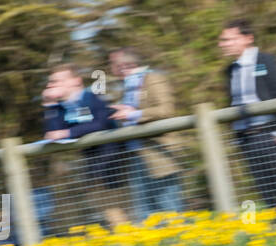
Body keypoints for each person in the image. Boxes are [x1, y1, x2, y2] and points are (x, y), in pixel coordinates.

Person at [219, 19, 276, 207]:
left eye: (229, 39)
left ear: (248, 38)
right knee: (266, 191)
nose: (223, 44)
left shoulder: (266, 61)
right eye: (223, 41)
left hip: (271, 134)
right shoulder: (230, 70)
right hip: (247, 139)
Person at [42, 64, 126, 227]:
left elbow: (100, 123)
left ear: (76, 81)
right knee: (109, 213)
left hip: (114, 165)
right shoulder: (60, 108)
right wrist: (49, 104)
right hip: (93, 168)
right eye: (53, 81)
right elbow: (52, 132)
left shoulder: (92, 98)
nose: (55, 84)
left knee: (120, 211)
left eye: (61, 80)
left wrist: (68, 133)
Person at [108, 47, 186, 220]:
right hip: (137, 155)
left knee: (170, 208)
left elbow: (166, 109)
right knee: (146, 214)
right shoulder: (127, 88)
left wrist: (133, 114)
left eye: (117, 65)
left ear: (129, 64)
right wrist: (125, 112)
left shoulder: (153, 79)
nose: (114, 70)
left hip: (159, 154)